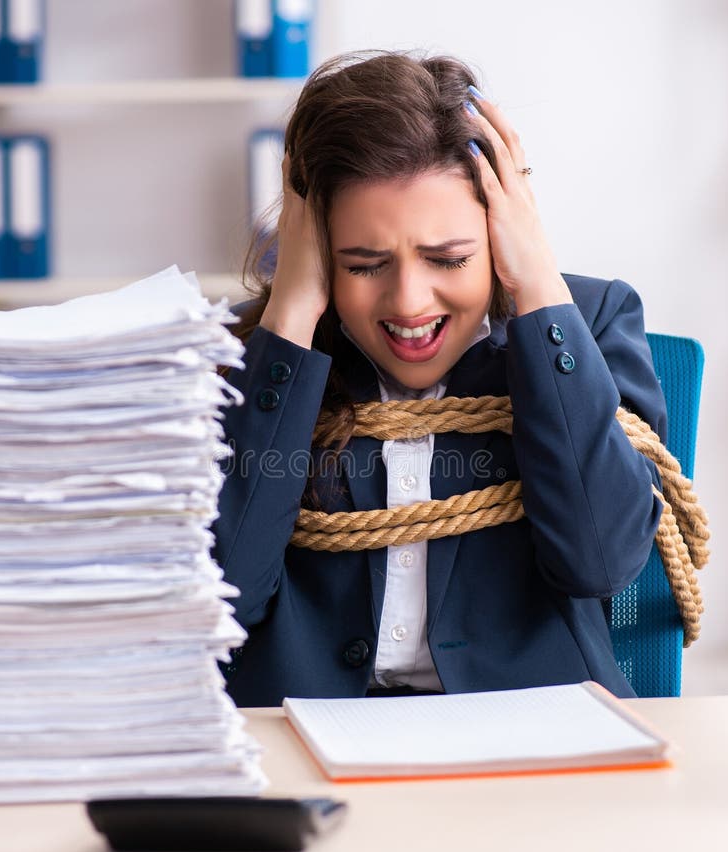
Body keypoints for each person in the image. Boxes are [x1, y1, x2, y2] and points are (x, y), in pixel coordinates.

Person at [214, 51, 666, 707]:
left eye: (447, 258)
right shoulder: (253, 358)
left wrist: (537, 286)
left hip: (528, 724)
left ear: (498, 229)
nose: (408, 301)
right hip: (297, 731)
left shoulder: (585, 324)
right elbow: (225, 598)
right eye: (364, 264)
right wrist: (290, 318)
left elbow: (597, 561)